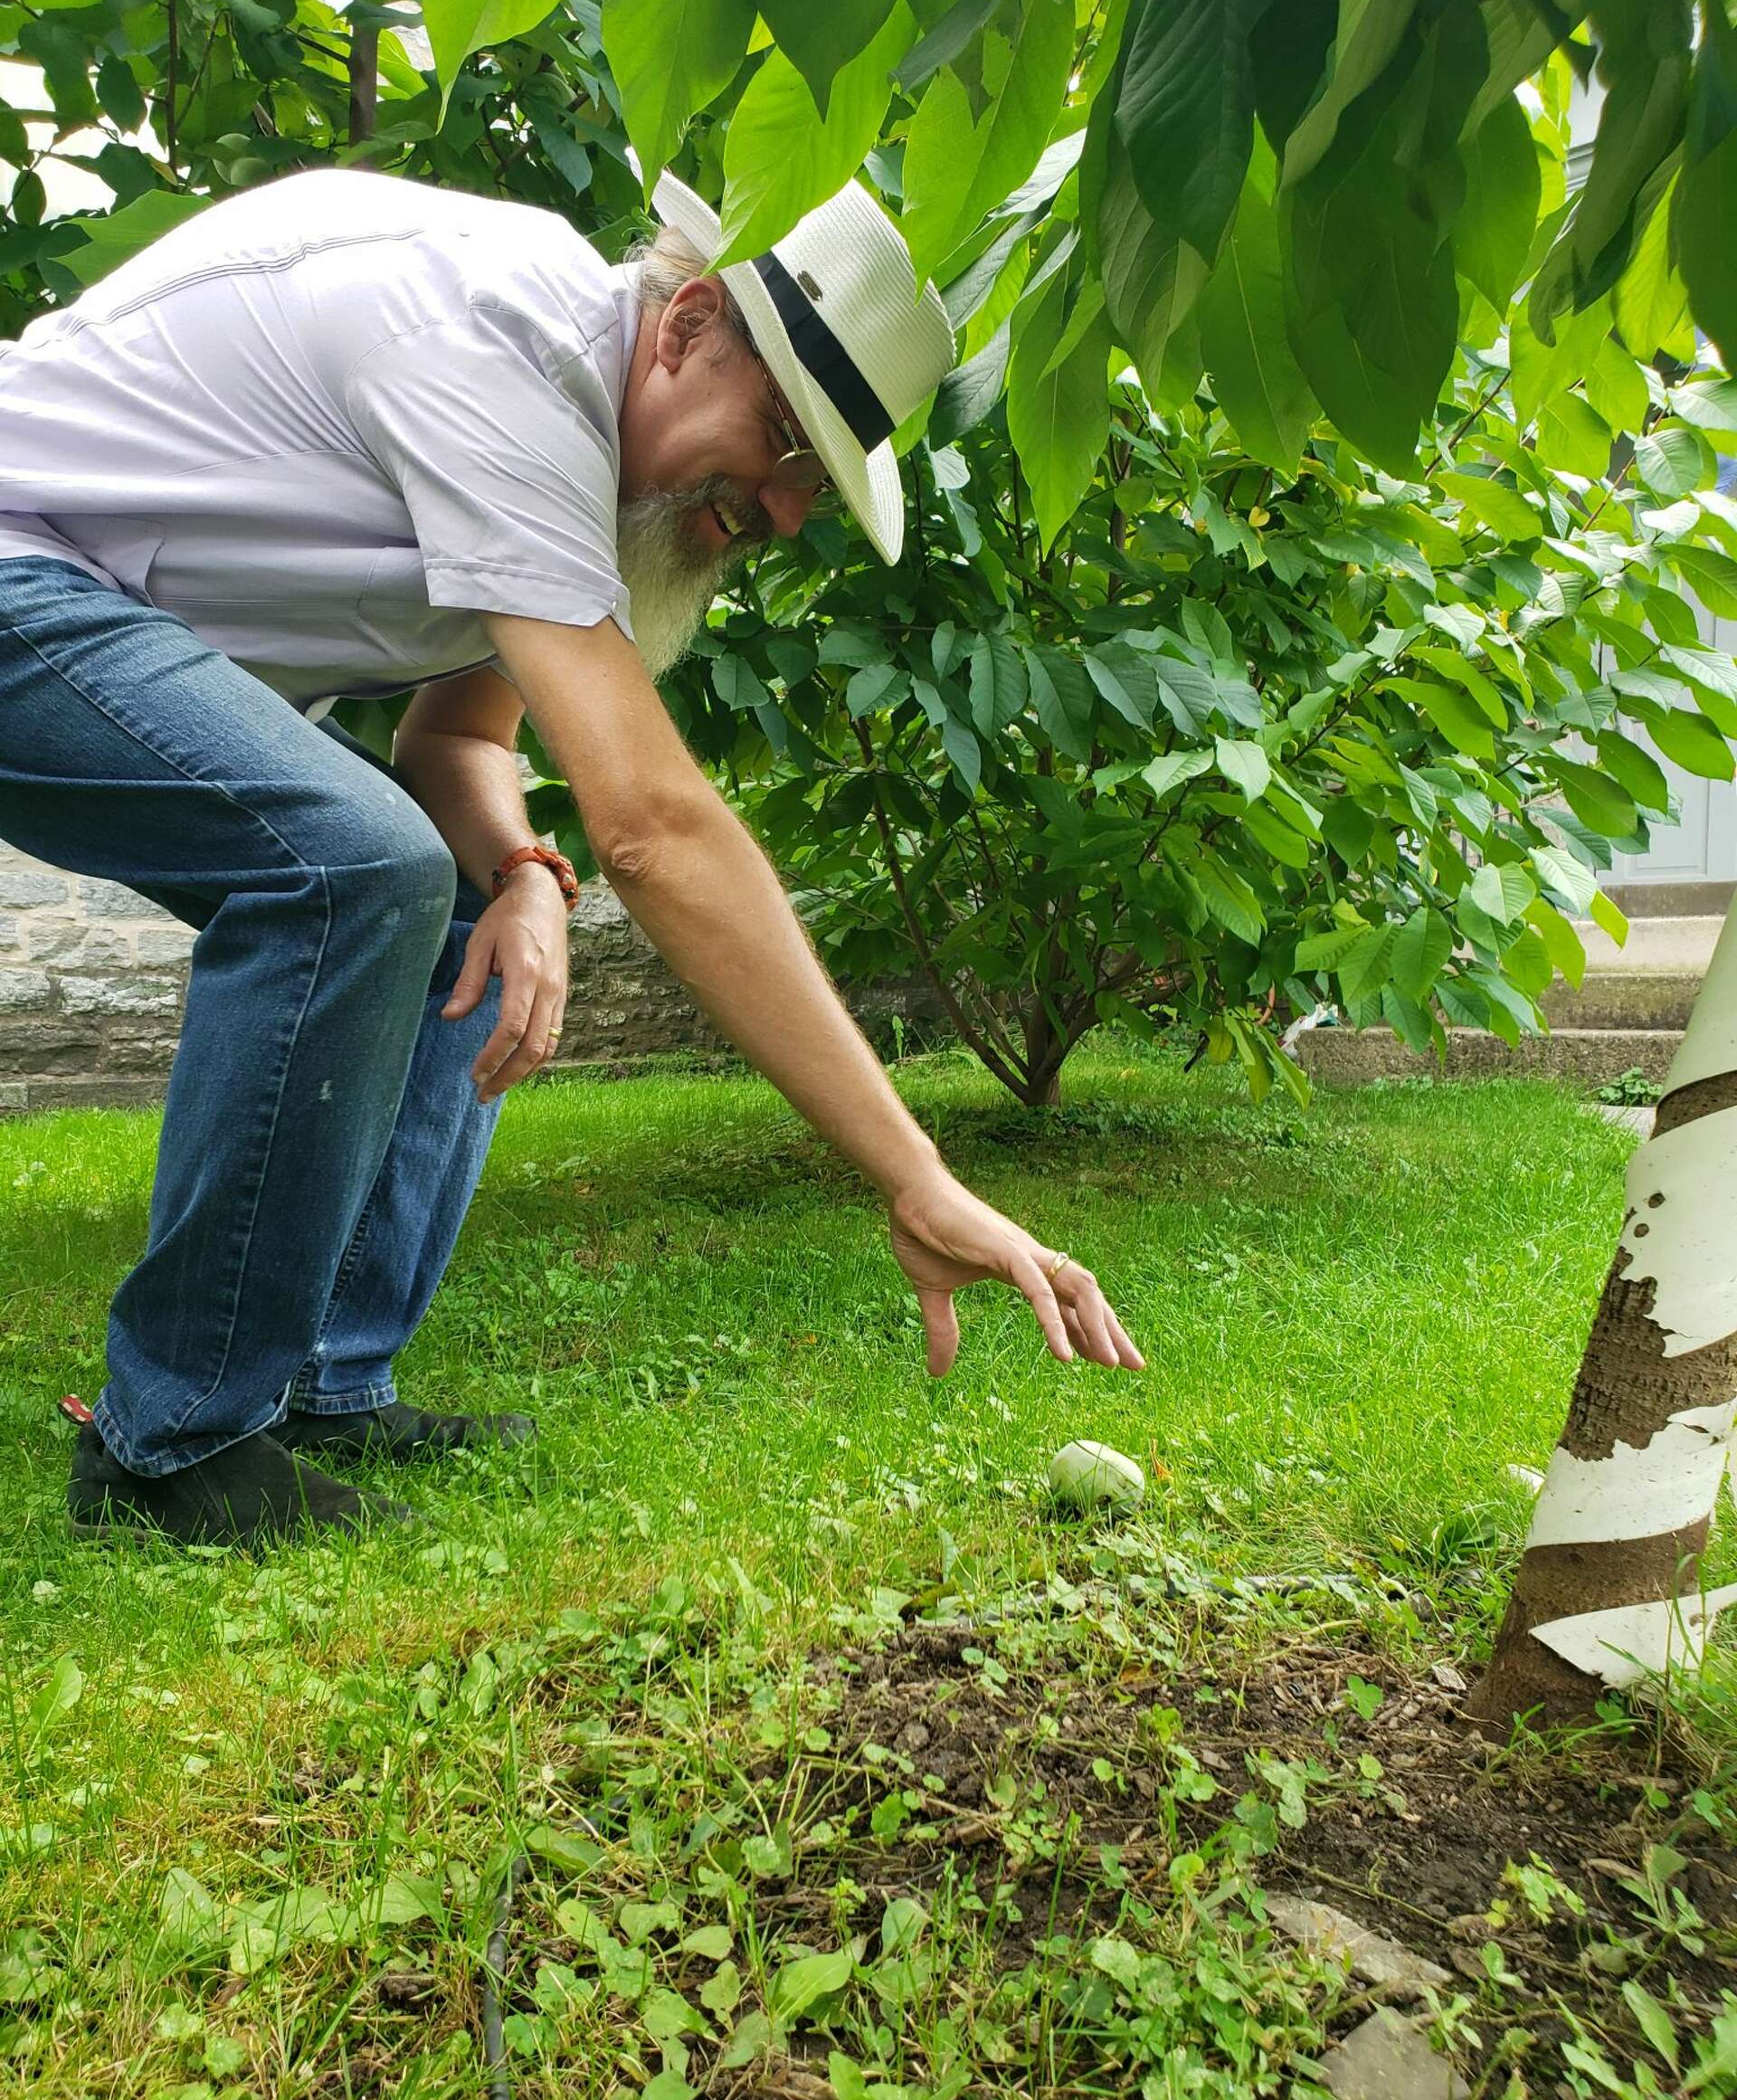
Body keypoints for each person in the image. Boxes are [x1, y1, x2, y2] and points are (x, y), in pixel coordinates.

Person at [0, 162, 1144, 1552]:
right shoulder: (505, 343)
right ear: (685, 326)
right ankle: (171, 1446)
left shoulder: (595, 474)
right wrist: (916, 1172)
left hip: (98, 607)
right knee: (353, 869)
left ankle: (322, 1384)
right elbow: (655, 829)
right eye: (785, 442)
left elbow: (459, 742)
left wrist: (527, 880)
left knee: (434, 891)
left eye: (815, 493)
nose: (782, 512)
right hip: (25, 558)